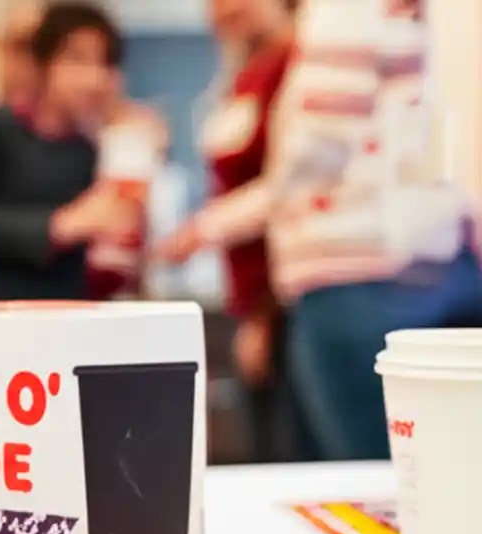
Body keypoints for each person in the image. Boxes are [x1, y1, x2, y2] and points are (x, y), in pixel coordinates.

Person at [160, 0, 482, 460]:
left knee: (368, 478)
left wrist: (206, 228)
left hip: (356, 271)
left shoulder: (342, 14)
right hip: (433, 259)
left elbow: (315, 153)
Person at [161, 0, 314, 463]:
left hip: (286, 297)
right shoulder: (243, 76)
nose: (226, 9)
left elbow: (288, 194)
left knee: (291, 452)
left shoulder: (298, 69)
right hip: (252, 296)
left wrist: (263, 315)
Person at [0, 2, 139, 303]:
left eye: (106, 63)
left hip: (66, 319)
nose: (94, 79)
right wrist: (60, 226)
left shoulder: (88, 151)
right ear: (43, 64)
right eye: (77, 60)